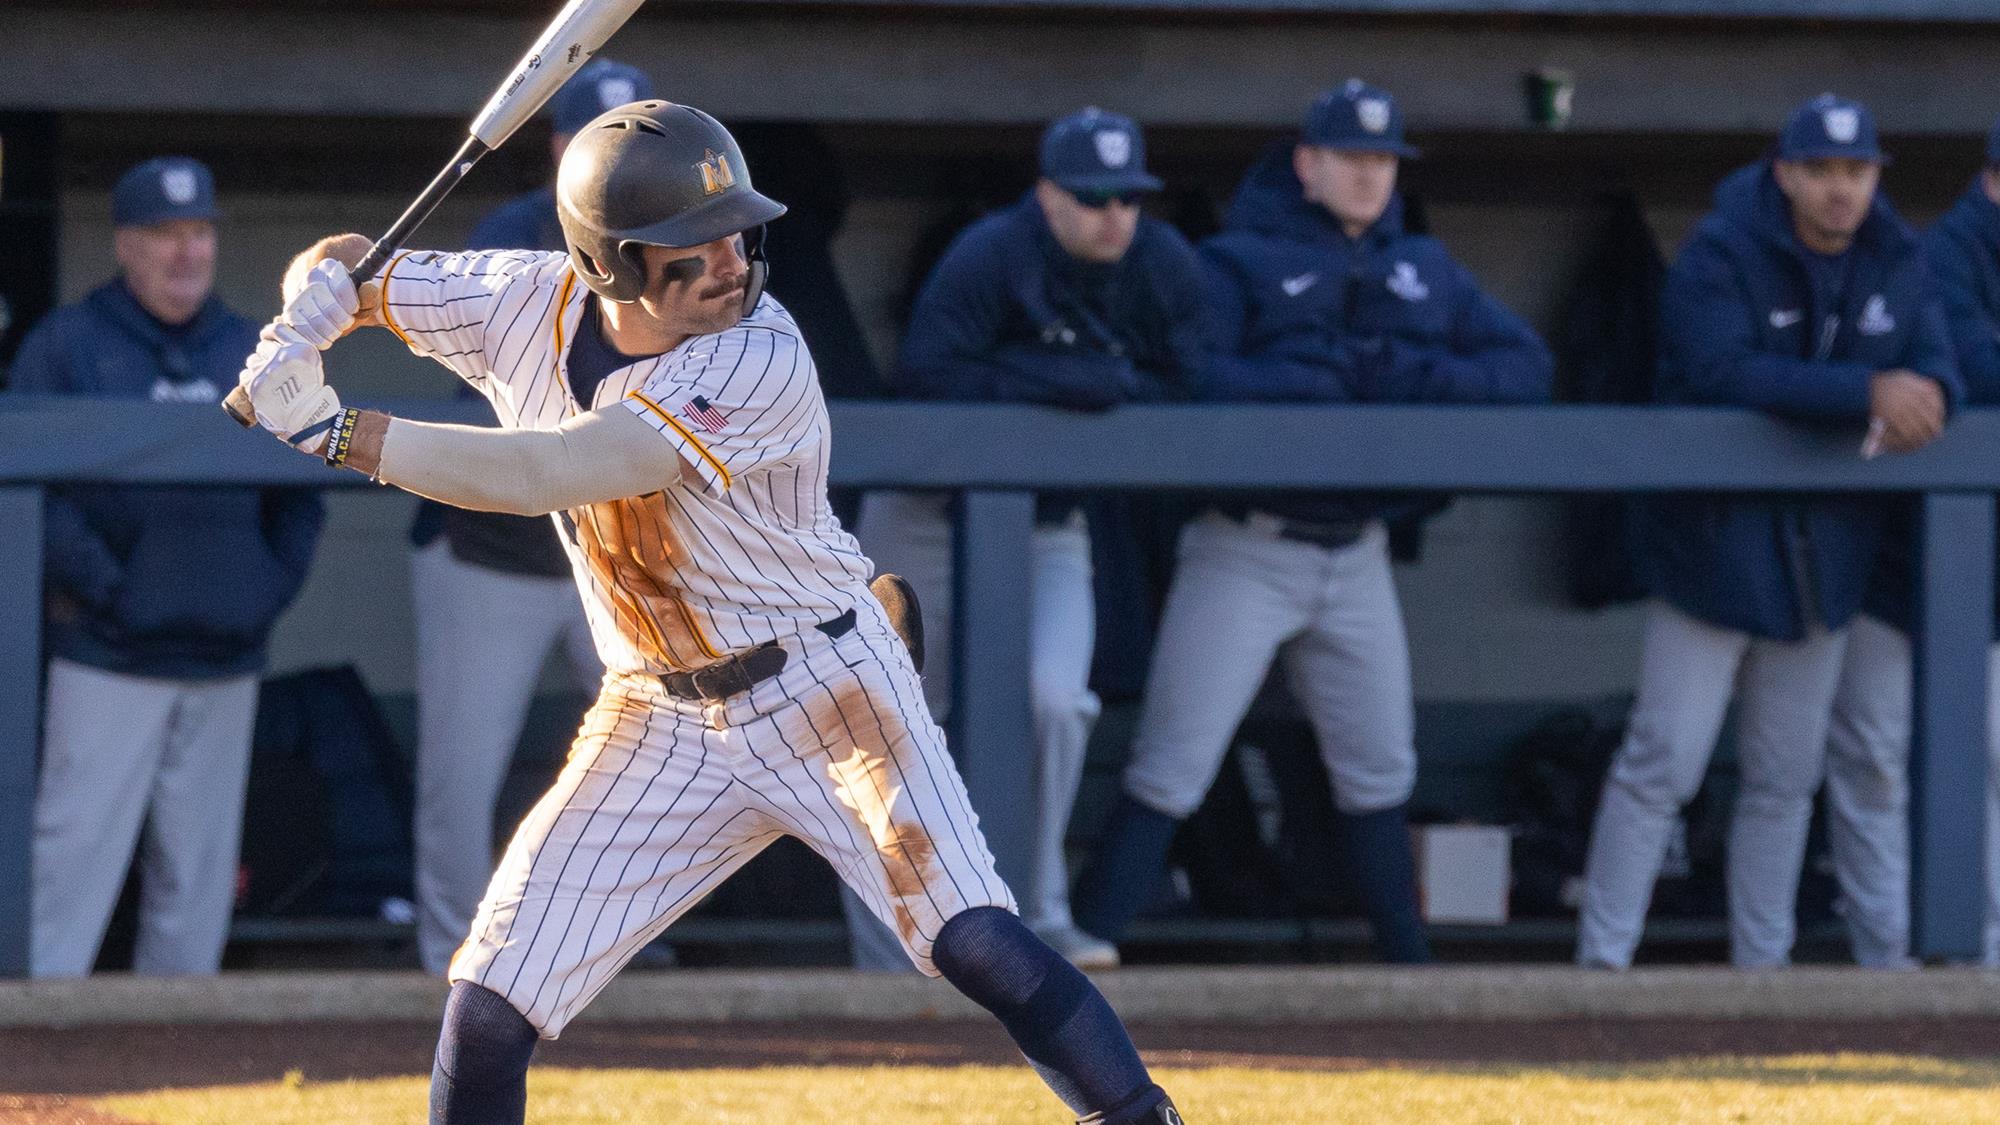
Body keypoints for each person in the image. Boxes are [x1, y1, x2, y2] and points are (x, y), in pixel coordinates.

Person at [233, 100, 1185, 1125]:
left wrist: (336, 431)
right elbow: (349, 260)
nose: (731, 261)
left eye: (737, 231)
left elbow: (554, 469)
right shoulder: (516, 298)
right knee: (490, 1001)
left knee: (974, 940)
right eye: (692, 244)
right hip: (656, 715)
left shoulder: (758, 353)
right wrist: (315, 306)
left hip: (826, 686)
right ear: (609, 263)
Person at [1071, 80, 1552, 963]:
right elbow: (1190, 374)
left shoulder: (1424, 266)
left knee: (1380, 767)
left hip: (1358, 550)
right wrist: (1314, 379)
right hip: (1247, 544)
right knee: (1175, 761)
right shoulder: (1238, 260)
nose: (1370, 175)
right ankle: (1085, 945)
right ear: (1307, 163)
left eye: (1383, 160)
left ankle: (1410, 974)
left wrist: (1403, 374)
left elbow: (1526, 368)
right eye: (1350, 157)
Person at [1576, 94, 1960, 971]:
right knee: (1662, 763)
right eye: (1820, 171)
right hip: (1713, 554)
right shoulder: (1723, 248)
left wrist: (1931, 392)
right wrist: (1866, 393)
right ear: (1784, 173)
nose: (1840, 189)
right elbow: (1719, 369)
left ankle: (1763, 972)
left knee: (1786, 778)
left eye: (1856, 171)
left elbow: (1940, 363)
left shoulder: (1897, 256)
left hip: (1825, 560)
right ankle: (1602, 966)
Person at [842, 107, 1207, 971]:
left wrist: (1091, 381)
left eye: (1128, 198)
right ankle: (892, 940)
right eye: (1092, 198)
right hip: (923, 516)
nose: (1114, 215)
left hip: (1049, 526)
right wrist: (1067, 377)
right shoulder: (991, 252)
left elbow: (1197, 381)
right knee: (892, 717)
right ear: (1047, 195)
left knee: (1055, 699)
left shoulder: (1161, 262)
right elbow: (929, 377)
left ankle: (1035, 913)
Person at [11, 156, 324, 976]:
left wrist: (258, 593)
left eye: (199, 233)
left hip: (225, 661)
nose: (187, 253)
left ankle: (178, 1045)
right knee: (70, 867)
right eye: (164, 234)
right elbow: (43, 501)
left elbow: (304, 492)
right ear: (125, 244)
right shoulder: (69, 345)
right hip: (106, 658)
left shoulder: (254, 347)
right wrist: (110, 591)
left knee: (196, 882)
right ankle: (38, 1039)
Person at [403, 59, 652, 977]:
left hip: (613, 561)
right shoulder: (513, 237)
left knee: (663, 759)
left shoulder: (681, 244)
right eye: (600, 137)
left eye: (637, 134)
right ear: (560, 148)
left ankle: (610, 952)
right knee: (461, 774)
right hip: (491, 555)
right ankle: (450, 961)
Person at [1821, 113, 2000, 970]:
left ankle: (1988, 954)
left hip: (1989, 572)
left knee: (1993, 758)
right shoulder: (1941, 254)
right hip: (1896, 557)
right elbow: (1973, 371)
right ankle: (1885, 961)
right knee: (1874, 757)